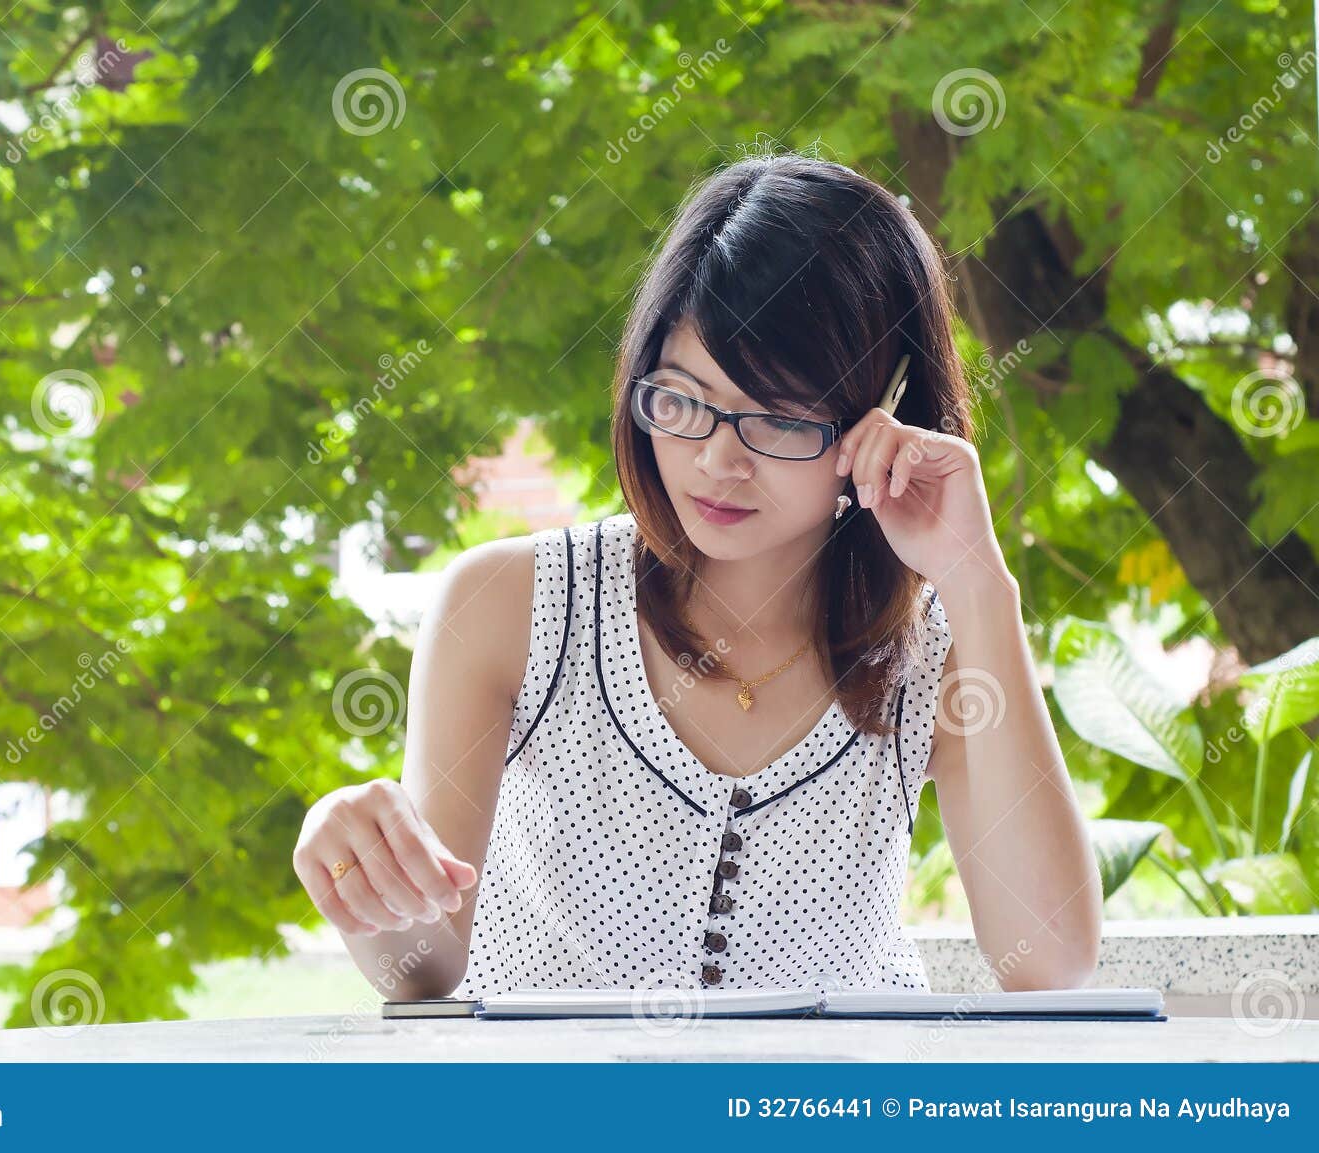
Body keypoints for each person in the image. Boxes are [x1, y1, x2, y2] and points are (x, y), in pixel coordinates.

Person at [293, 152, 1101, 1001]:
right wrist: (363, 880)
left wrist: (978, 580)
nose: (719, 460)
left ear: (887, 416)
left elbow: (1048, 961)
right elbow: (422, 973)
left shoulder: (934, 644)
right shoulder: (507, 606)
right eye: (682, 399)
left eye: (779, 416)